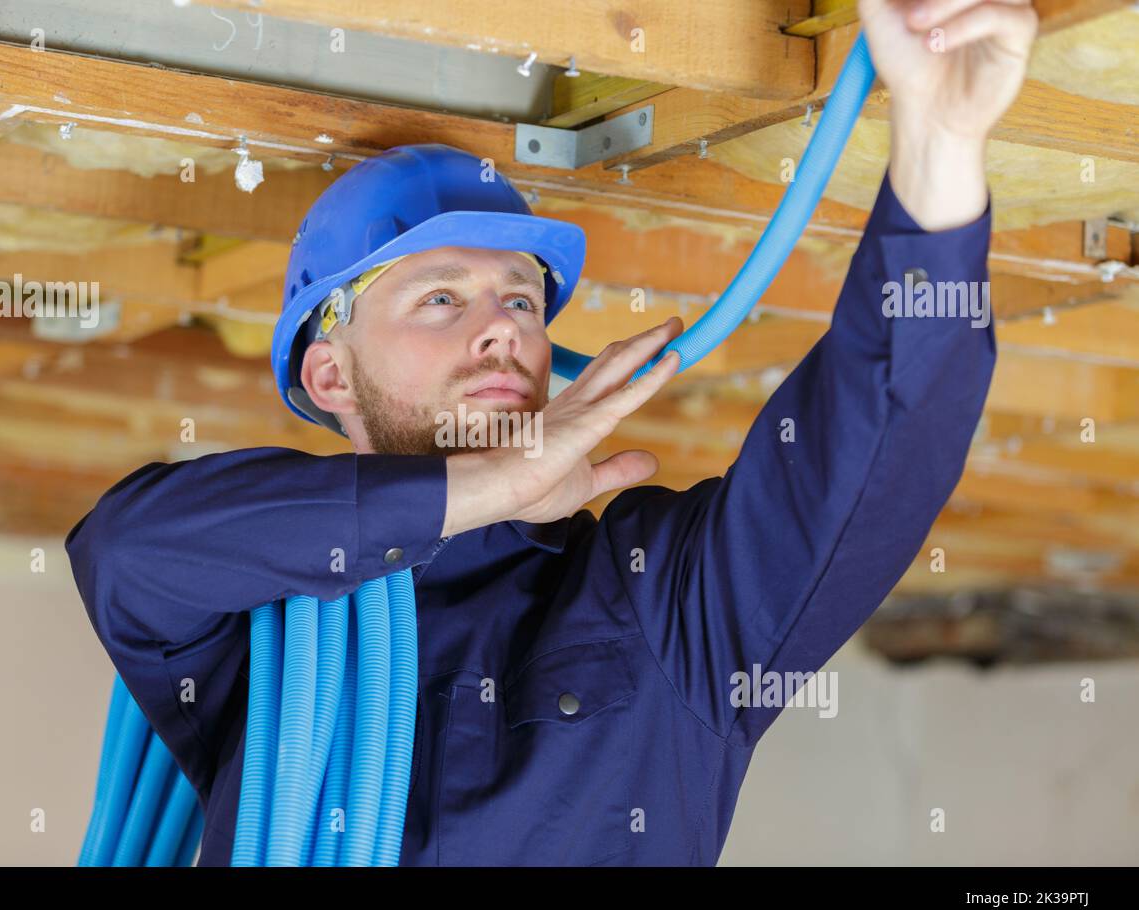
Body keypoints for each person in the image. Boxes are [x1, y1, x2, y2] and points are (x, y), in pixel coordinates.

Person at [66, 0, 1038, 865]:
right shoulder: (255, 631)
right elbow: (126, 550)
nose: (501, 324)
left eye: (521, 299)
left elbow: (874, 452)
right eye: (440, 296)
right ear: (329, 372)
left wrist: (940, 147)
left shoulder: (658, 597)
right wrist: (482, 489)